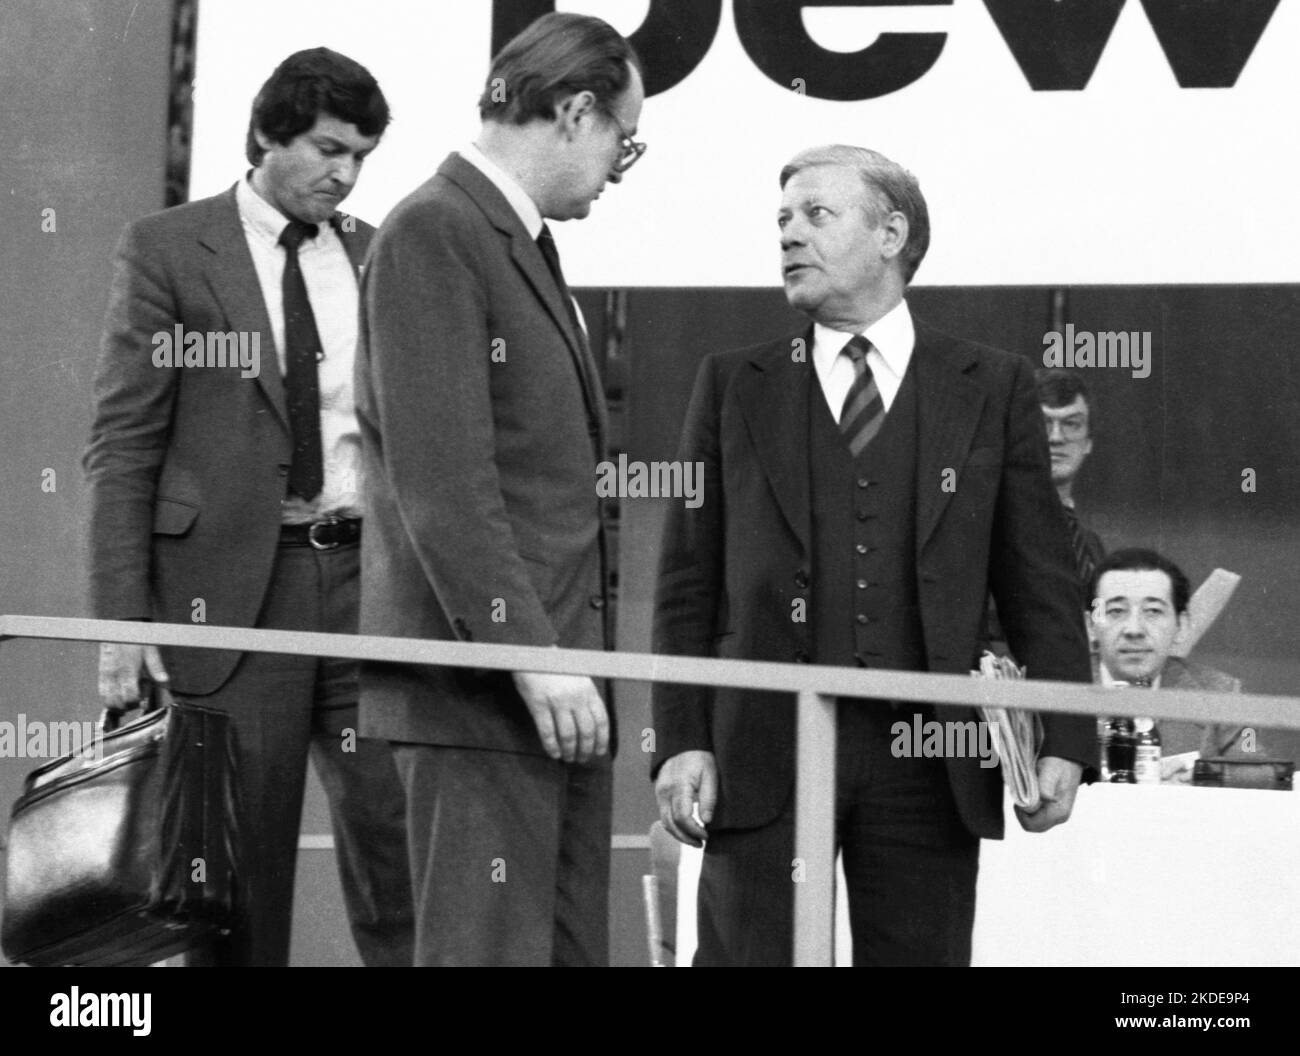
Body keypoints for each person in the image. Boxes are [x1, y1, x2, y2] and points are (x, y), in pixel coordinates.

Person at [651, 144, 1096, 966]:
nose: (788, 234)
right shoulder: (730, 383)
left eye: (816, 215)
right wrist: (681, 737)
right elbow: (686, 582)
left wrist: (1067, 732)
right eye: (782, 218)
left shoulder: (993, 385)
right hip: (762, 751)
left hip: (931, 759)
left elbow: (1038, 577)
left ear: (892, 233)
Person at [84, 48, 413, 967]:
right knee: (237, 881)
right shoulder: (166, 248)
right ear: (269, 134)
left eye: (361, 156)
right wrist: (120, 623)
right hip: (233, 597)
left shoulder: (374, 246)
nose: (343, 174)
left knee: (400, 857)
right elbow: (122, 448)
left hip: (368, 594)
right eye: (326, 148)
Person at [354, 12, 644, 966]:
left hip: (550, 689)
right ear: (573, 112)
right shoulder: (436, 231)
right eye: (622, 144)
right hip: (487, 696)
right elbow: (443, 485)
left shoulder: (507, 239)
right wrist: (535, 655)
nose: (618, 171)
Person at [1090, 547, 1250, 760]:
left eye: (1153, 611)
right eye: (1116, 611)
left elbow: (1259, 768)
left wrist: (1201, 774)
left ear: (1181, 625)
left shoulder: (1222, 693)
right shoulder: (1052, 691)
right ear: (1090, 625)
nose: (1134, 630)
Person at [1038, 367, 1105, 589]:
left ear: (1088, 442)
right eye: (1042, 423)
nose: (1056, 437)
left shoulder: (1091, 545)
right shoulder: (991, 530)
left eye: (1071, 424)